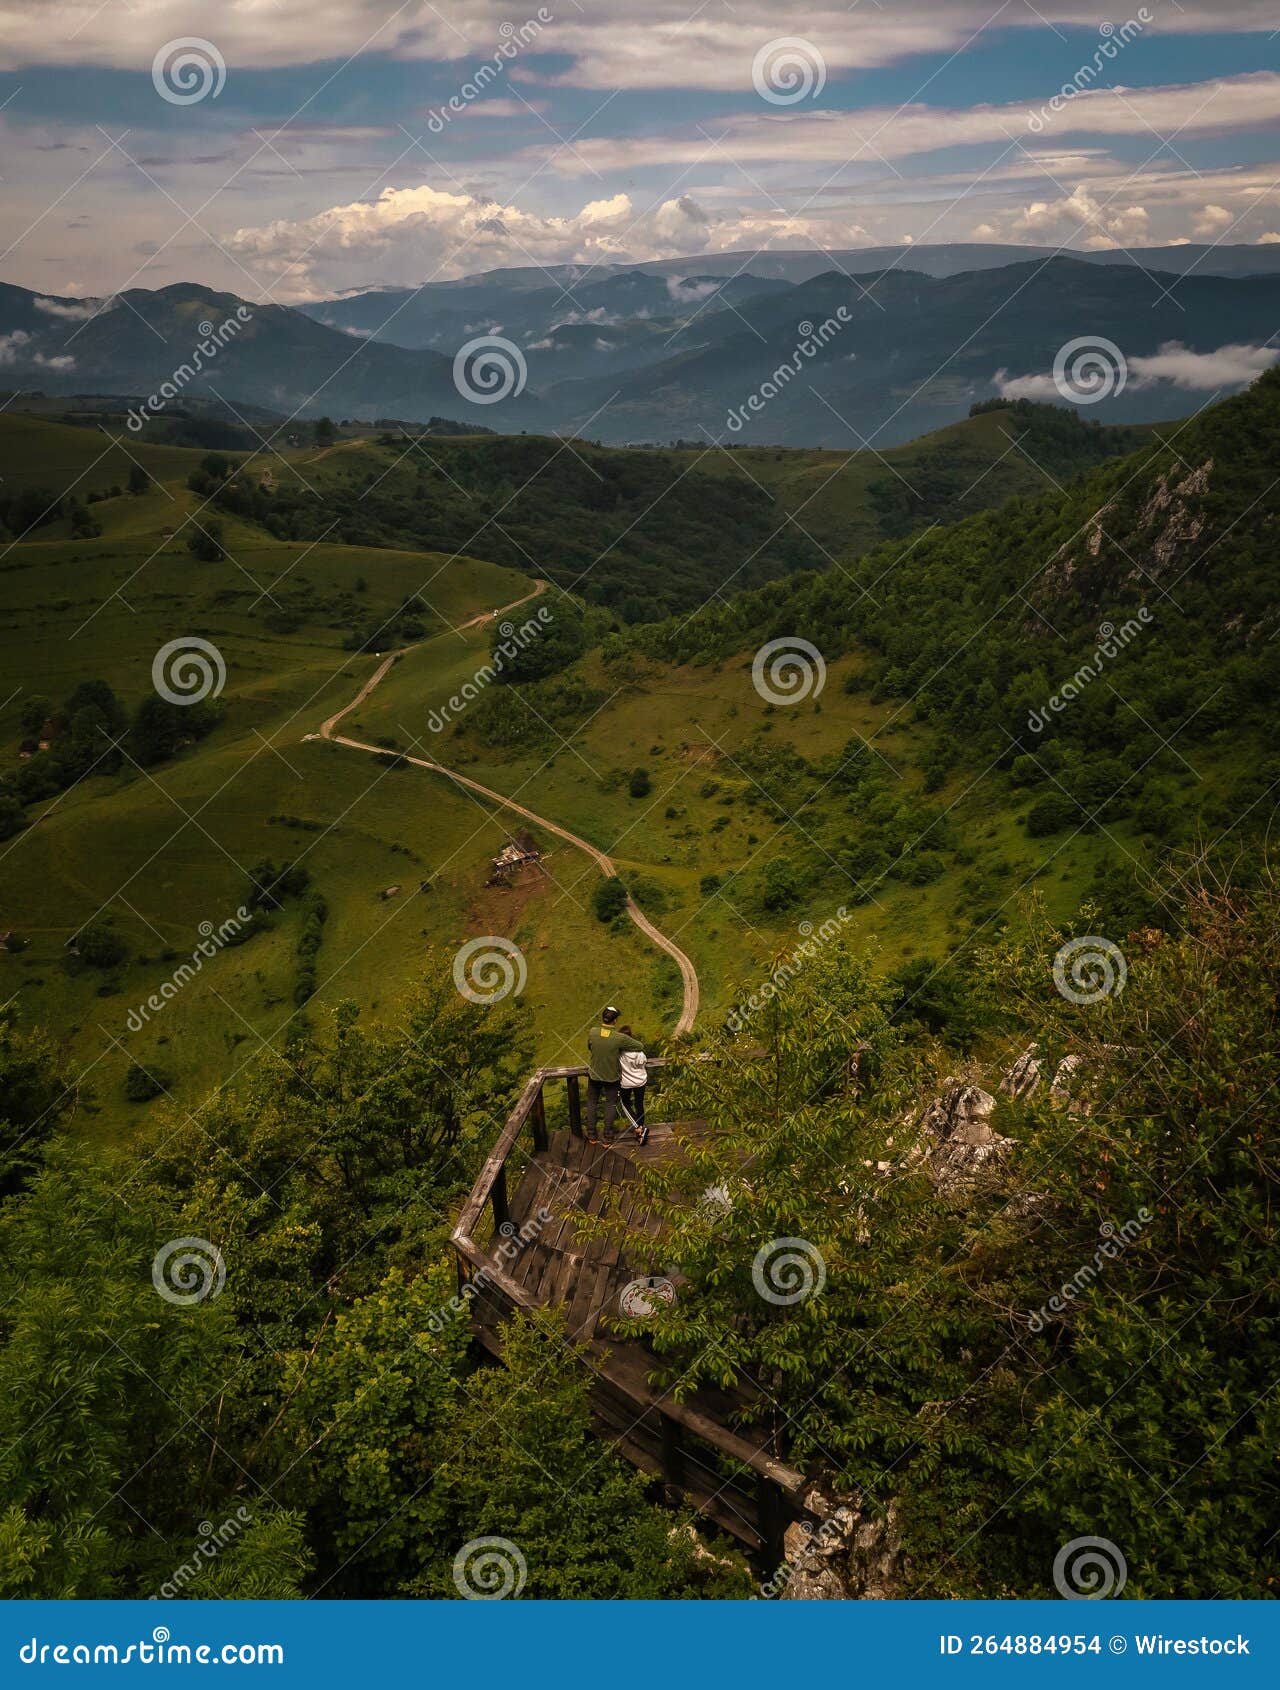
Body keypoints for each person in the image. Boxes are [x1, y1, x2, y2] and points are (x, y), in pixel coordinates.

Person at [585, 1005, 644, 1145]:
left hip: (594, 1075)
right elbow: (639, 1046)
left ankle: (591, 1136)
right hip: (612, 1077)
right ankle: (607, 1138)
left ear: (603, 1018)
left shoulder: (593, 1032)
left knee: (592, 1102)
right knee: (610, 1104)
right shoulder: (619, 1038)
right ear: (615, 1021)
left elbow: (590, 1047)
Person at [617, 1025, 649, 1146]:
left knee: (625, 1103)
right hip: (641, 1081)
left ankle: (639, 1128)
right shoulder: (639, 1052)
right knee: (639, 1104)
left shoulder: (619, 1053)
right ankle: (640, 1130)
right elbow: (643, 1062)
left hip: (626, 1083)